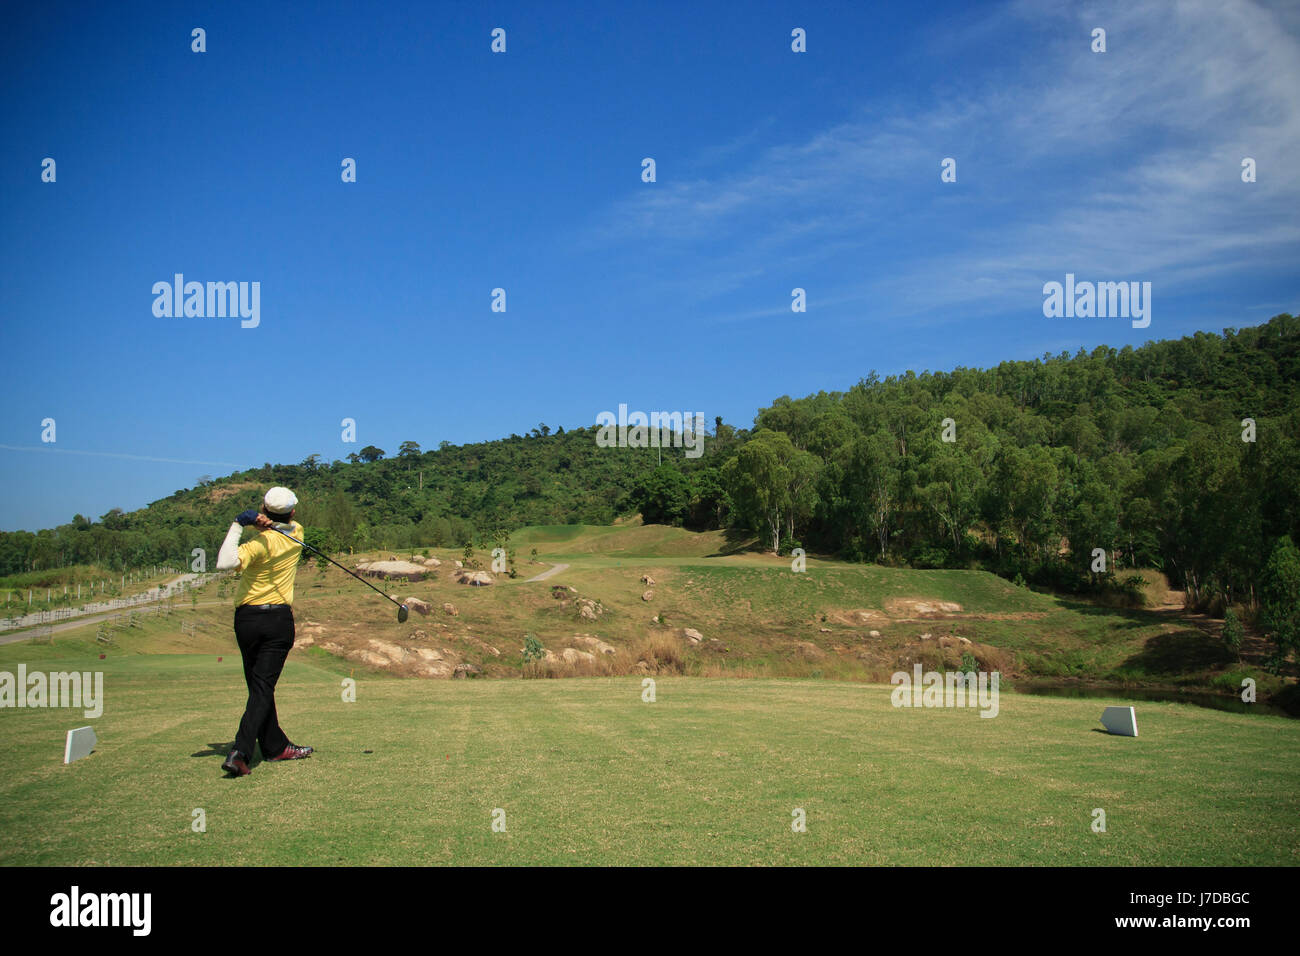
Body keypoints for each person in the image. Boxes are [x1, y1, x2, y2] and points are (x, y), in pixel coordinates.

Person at [214, 486, 313, 776]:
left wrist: (238, 523)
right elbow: (284, 526)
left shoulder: (257, 545)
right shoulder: (297, 533)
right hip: (277, 622)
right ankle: (240, 752)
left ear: (262, 509)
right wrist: (265, 523)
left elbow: (224, 562)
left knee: (259, 687)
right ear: (292, 512)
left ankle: (274, 746)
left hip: (246, 620)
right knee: (261, 688)